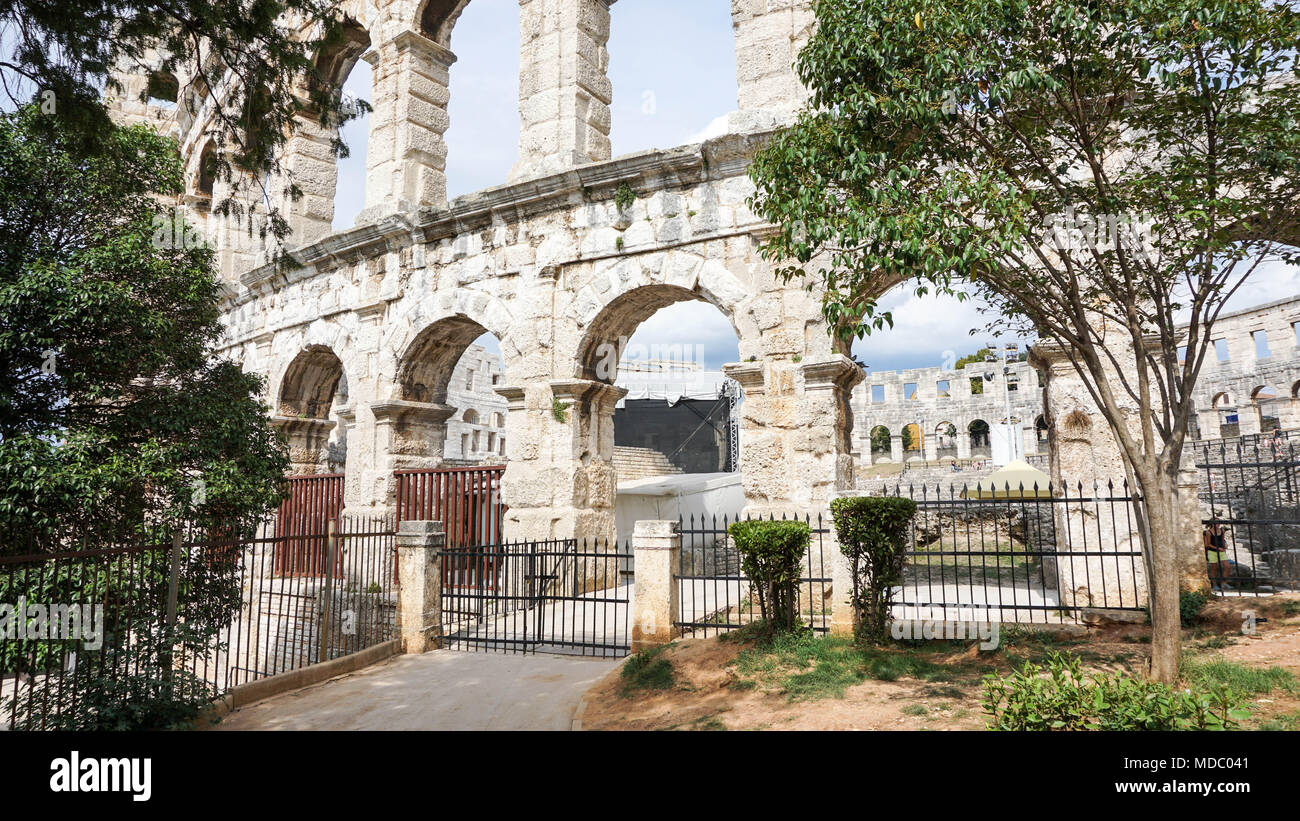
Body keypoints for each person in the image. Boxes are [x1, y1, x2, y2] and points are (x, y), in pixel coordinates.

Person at [1203, 520, 1232, 587]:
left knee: (1228, 566)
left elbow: (1222, 540)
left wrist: (1224, 547)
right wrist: (1218, 548)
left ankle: (1223, 583)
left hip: (1221, 551)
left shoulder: (1222, 531)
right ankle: (1215, 585)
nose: (1218, 524)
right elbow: (1208, 544)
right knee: (1214, 568)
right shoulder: (1208, 532)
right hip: (1212, 552)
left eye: (1219, 522)